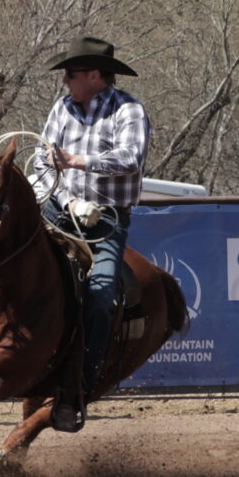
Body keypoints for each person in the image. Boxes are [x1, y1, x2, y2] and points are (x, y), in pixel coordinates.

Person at [34, 36, 150, 433]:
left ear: (96, 75)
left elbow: (130, 158)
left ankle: (75, 393)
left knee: (100, 296)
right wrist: (60, 194)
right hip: (58, 207)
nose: (65, 80)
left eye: (71, 73)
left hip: (106, 221)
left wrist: (76, 161)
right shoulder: (61, 108)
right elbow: (41, 158)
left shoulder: (128, 110)